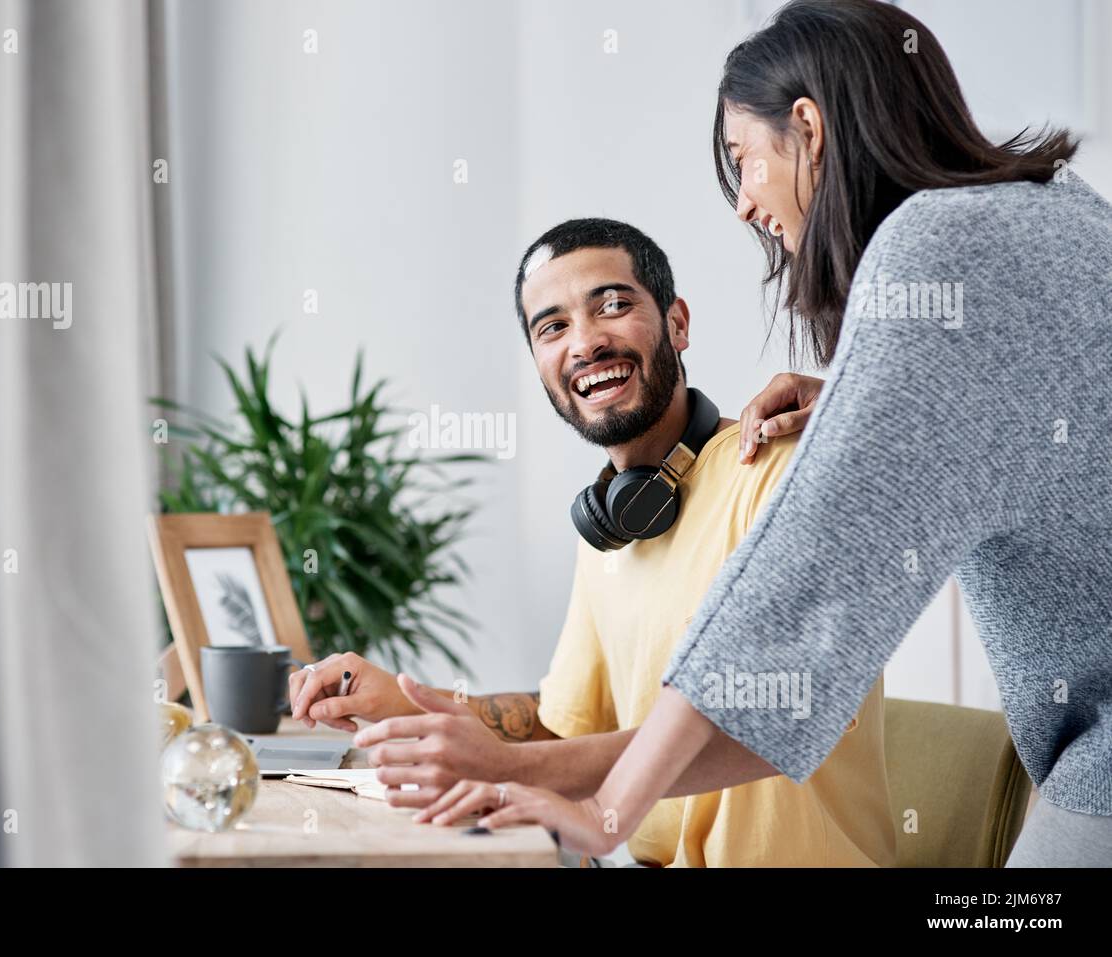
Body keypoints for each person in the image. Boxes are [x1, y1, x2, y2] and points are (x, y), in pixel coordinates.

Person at [424, 0, 1112, 867]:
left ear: (809, 128)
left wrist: (607, 809)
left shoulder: (932, 247)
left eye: (743, 160)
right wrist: (868, 398)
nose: (745, 204)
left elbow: (800, 584)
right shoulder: (1055, 206)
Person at [291, 218, 893, 866]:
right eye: (552, 327)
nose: (586, 343)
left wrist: (513, 767)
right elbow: (561, 726)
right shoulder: (611, 527)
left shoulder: (773, 469)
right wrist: (412, 707)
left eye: (613, 305)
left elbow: (785, 722)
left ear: (678, 324)